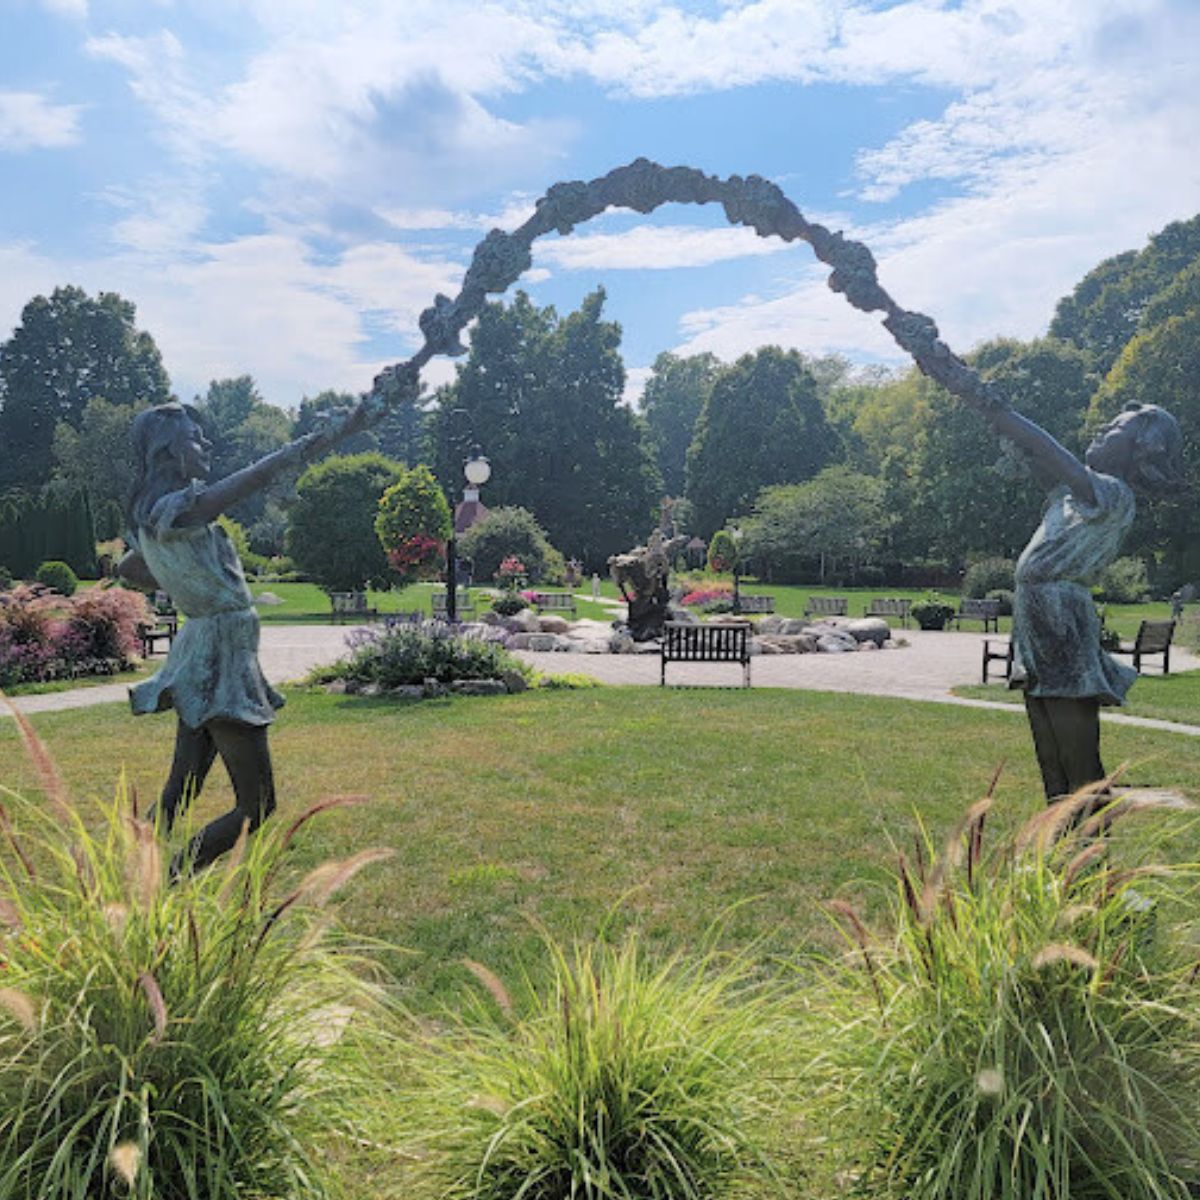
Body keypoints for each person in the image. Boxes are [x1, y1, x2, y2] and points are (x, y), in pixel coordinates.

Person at [120, 401, 359, 872]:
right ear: (168, 452)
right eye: (195, 437)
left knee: (180, 790)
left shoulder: (156, 517)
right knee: (257, 804)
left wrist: (185, 581)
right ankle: (169, 882)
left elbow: (128, 568)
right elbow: (252, 478)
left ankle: (127, 878)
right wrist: (312, 442)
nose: (206, 443)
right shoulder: (178, 509)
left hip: (204, 650)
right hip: (220, 661)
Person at [978, 400, 1184, 801]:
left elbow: (1052, 453)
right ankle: (1056, 842)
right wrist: (1002, 428)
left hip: (1061, 618)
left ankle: (1090, 847)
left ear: (1141, 449)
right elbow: (1041, 461)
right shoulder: (1070, 497)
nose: (1100, 430)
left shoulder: (1113, 493)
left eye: (1114, 430)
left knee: (1076, 753)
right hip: (1036, 614)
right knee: (1048, 748)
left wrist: (1002, 410)